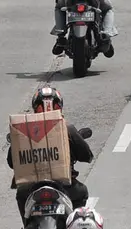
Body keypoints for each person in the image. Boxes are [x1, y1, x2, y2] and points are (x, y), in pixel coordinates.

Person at [9, 87, 95, 221]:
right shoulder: (68, 129)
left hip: (31, 188)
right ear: (59, 106)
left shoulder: (24, 131)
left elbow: (11, 162)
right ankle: (74, 225)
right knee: (81, 192)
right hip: (65, 186)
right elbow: (86, 156)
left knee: (21, 194)